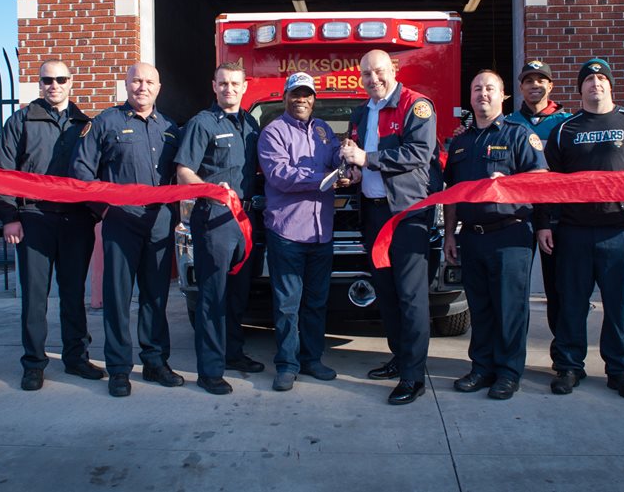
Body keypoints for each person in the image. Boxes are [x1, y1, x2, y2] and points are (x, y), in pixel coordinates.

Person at [536, 57, 624, 399]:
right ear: (579, 88)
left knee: (620, 304)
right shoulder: (565, 129)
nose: (596, 85)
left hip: (619, 231)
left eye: (602, 80)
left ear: (611, 86)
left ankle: (620, 370)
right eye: (589, 81)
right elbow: (550, 184)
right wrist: (546, 224)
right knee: (571, 304)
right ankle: (568, 367)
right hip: (573, 232)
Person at [70, 63, 182, 398]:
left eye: (149, 81)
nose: (142, 87)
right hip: (121, 222)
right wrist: (103, 209)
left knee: (156, 296)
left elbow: (180, 174)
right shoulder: (105, 122)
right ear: (126, 84)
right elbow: (81, 170)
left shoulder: (170, 128)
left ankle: (155, 361)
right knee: (118, 298)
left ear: (158, 87)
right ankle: (119, 369)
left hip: (159, 223)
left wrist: (175, 213)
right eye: (136, 81)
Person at [0, 59, 104, 391]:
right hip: (34, 219)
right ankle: (34, 363)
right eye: (47, 80)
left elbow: (99, 170)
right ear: (39, 83)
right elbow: (3, 170)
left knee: (73, 294)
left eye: (60, 79)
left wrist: (99, 211)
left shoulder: (85, 124)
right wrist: (9, 217)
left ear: (71, 82)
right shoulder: (21, 121)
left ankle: (76, 358)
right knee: (35, 295)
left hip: (76, 221)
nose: (53, 85)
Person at [340, 49, 437, 405]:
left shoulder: (417, 105)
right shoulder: (361, 112)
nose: (372, 79)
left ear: (392, 69)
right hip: (373, 215)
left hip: (406, 216)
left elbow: (419, 152)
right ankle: (400, 358)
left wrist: (367, 159)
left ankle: (414, 377)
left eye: (378, 71)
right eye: (366, 74)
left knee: (411, 297)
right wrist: (351, 169)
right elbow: (356, 158)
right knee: (388, 293)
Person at [443, 70, 546, 400]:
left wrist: (511, 185)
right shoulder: (460, 142)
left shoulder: (520, 135)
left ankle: (508, 372)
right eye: (476, 89)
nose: (482, 94)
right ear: (470, 97)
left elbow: (542, 179)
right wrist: (449, 235)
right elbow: (451, 194)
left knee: (510, 308)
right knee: (480, 307)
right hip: (472, 237)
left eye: (489, 88)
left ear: (502, 96)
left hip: (511, 235)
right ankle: (481, 368)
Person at [258, 72, 355, 392]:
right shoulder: (273, 132)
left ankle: (312, 359)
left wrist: (345, 159)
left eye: (307, 94)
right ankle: (287, 364)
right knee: (287, 304)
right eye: (296, 94)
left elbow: (335, 160)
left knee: (316, 302)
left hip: (321, 232)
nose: (302, 99)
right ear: (286, 97)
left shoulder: (324, 131)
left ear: (314, 98)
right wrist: (325, 179)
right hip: (287, 231)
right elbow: (281, 175)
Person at [175, 62, 263, 395]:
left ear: (244, 87)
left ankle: (233, 353)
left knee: (238, 295)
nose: (229, 89)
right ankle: (210, 371)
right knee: (213, 298)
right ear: (214, 86)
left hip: (245, 223)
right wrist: (211, 194)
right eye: (223, 83)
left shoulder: (250, 125)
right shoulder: (202, 124)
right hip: (213, 222)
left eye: (235, 84)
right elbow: (184, 171)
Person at [506, 59, 572, 366]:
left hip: (556, 218)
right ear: (520, 87)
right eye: (528, 80)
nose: (535, 85)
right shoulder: (508, 123)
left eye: (541, 80)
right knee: (514, 293)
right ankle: (509, 358)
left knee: (559, 291)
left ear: (551, 86)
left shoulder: (567, 123)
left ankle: (562, 360)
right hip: (518, 216)